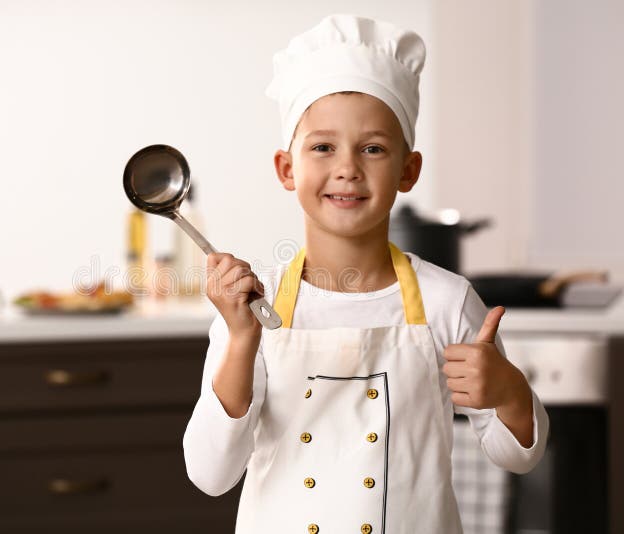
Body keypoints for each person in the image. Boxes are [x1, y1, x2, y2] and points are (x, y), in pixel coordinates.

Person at [183, 14, 548, 533]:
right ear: (287, 168)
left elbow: (516, 455)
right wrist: (242, 341)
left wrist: (509, 392)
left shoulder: (447, 301)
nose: (348, 168)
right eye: (323, 147)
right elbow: (210, 474)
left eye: (373, 148)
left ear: (408, 170)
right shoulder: (249, 309)